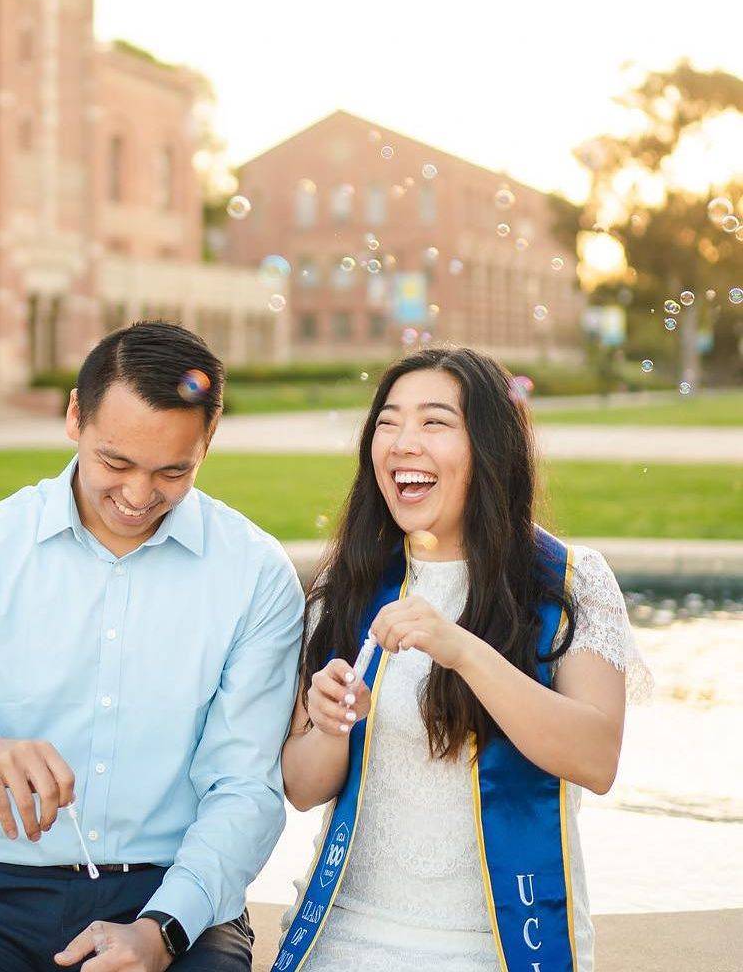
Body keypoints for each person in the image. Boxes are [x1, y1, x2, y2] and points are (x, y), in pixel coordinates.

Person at [0, 322, 305, 971]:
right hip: (0, 892)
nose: (138, 496)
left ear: (208, 442)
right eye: (115, 463)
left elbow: (244, 789)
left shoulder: (255, 573)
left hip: (173, 897)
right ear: (73, 418)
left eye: (172, 471)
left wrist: (164, 930)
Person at [276, 345, 652, 972]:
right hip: (345, 931)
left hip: (501, 943)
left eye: (434, 421)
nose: (403, 443)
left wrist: (461, 649)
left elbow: (596, 759)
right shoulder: (350, 585)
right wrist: (331, 726)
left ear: (489, 447)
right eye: (388, 422)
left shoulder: (569, 582)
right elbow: (302, 787)